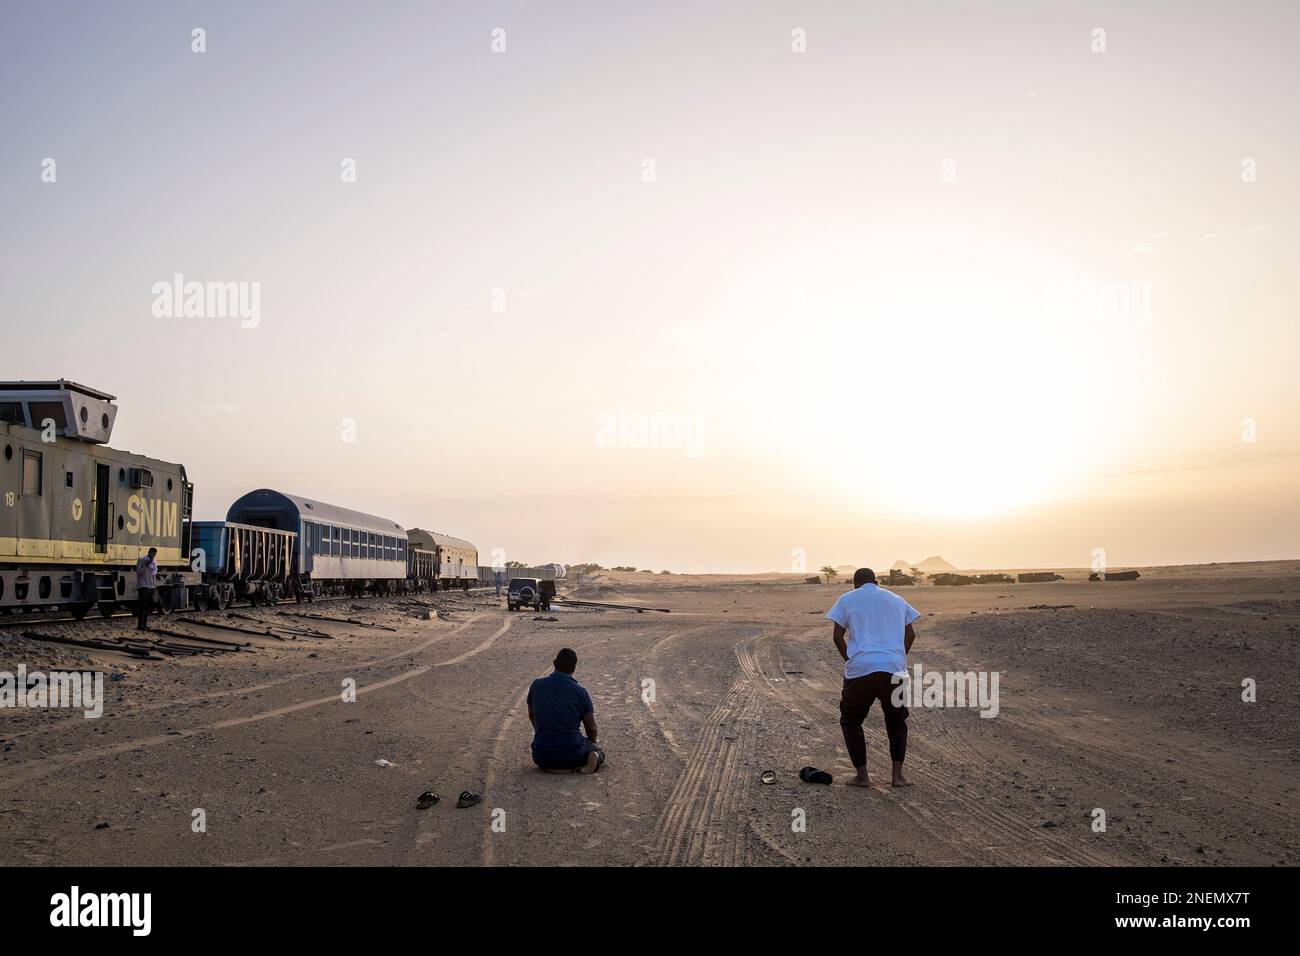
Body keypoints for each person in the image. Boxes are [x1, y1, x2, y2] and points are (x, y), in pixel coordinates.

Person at [826, 567, 920, 788]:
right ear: (876, 582)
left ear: (855, 584)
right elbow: (911, 633)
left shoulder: (847, 599)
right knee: (897, 721)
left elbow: (837, 636)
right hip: (894, 670)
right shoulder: (896, 599)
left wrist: (850, 659)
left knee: (851, 720)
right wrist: (897, 657)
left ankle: (862, 776)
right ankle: (898, 777)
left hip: (861, 670)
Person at [526, 648, 604, 773]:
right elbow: (591, 728)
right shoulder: (580, 692)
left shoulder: (537, 685)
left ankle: (553, 762)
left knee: (546, 747)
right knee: (598, 752)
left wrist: (542, 732)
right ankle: (591, 759)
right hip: (572, 752)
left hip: (541, 754)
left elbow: (532, 715)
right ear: (573, 669)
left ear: (554, 663)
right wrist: (592, 743)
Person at [135, 547, 158, 631]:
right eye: (152, 553)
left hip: (151, 587)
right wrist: (145, 565)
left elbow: (153, 574)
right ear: (148, 552)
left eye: (154, 554)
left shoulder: (154, 563)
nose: (153, 555)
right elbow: (138, 572)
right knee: (142, 607)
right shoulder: (142, 560)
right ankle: (140, 625)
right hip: (143, 586)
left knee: (148, 607)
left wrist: (154, 586)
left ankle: (144, 624)